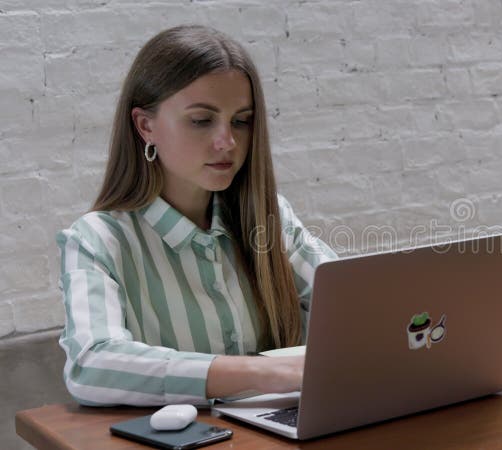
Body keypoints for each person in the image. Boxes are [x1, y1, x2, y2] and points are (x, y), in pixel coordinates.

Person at [55, 25, 336, 407]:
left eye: (241, 120)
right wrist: (261, 373)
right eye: (202, 120)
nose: (228, 142)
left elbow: (349, 303)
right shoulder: (96, 240)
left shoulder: (270, 219)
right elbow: (91, 364)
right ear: (145, 126)